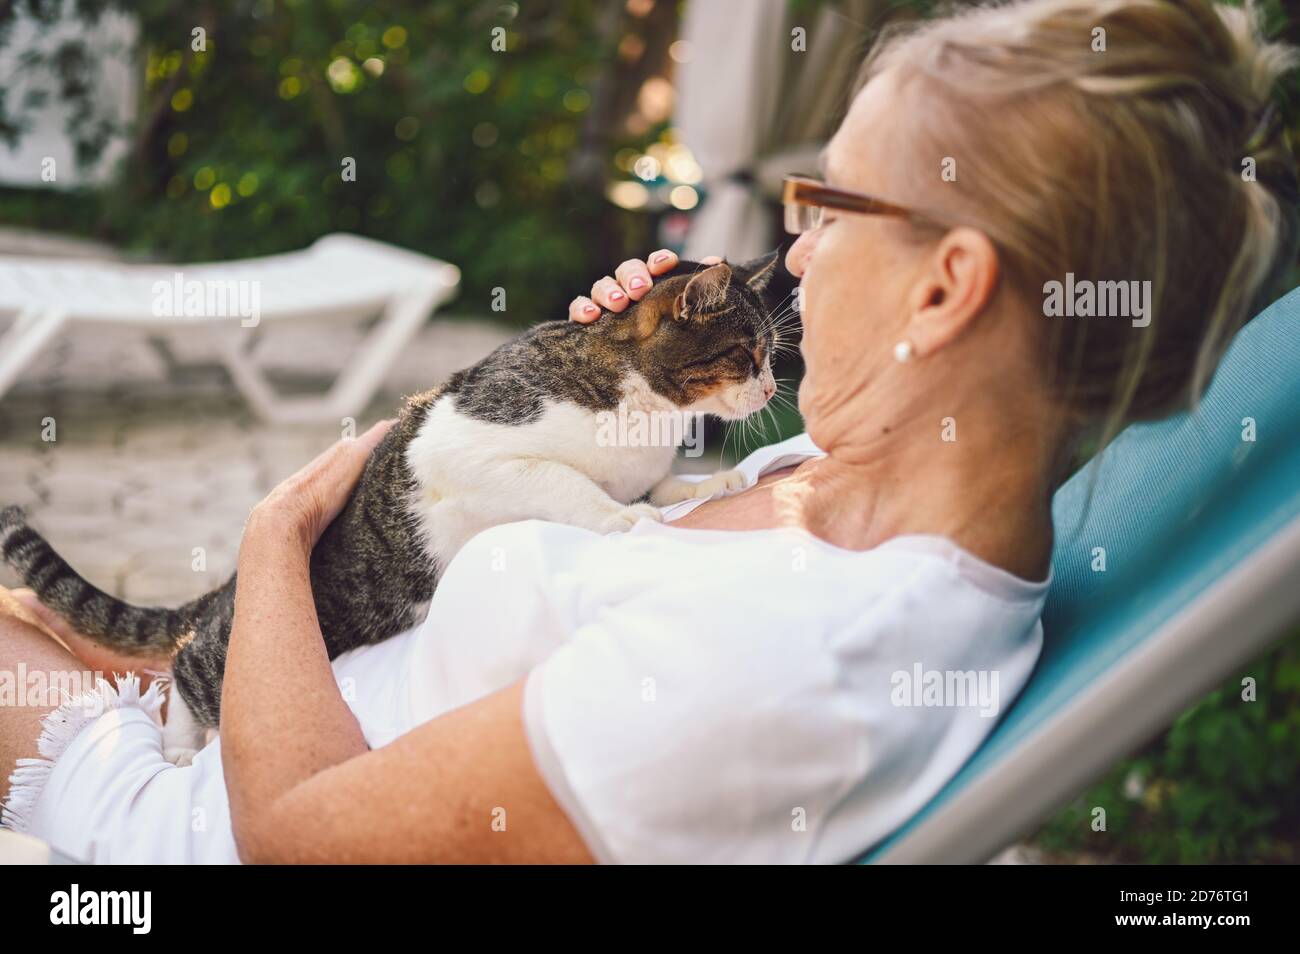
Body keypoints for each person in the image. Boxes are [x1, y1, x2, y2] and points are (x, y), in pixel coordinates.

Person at [1, 0, 1295, 863]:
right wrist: (628, 410)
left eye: (827, 203)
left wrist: (274, 535)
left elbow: (295, 838)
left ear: (945, 287)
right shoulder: (842, 486)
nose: (794, 245)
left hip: (203, 812)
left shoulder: (800, 662)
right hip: (312, 681)